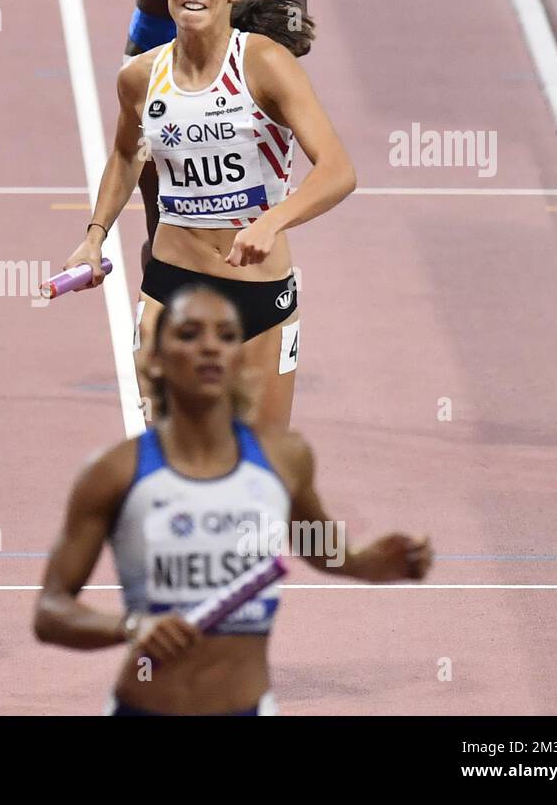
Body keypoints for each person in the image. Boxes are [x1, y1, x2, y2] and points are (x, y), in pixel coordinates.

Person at [33, 283, 433, 715]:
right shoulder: (114, 472)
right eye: (189, 334)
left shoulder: (284, 459)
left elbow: (322, 550)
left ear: (240, 358)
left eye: (226, 336)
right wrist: (129, 626)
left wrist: (375, 564)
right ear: (155, 358)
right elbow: (51, 611)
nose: (210, 348)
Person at [62, 0, 351, 432]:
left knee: (259, 470)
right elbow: (127, 156)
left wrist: (271, 223)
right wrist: (94, 237)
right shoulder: (140, 77)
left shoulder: (264, 63)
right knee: (170, 462)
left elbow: (338, 171)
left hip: (260, 299)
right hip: (171, 285)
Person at [54, 0, 312, 272]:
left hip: (229, 40)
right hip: (154, 40)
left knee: (244, 177)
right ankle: (164, 289)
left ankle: (249, 279)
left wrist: (297, 0)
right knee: (160, 206)